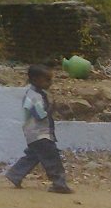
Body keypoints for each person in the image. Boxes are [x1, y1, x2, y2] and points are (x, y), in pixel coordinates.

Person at [5, 64, 73, 193]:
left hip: (37, 133)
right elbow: (40, 115)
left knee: (34, 155)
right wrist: (52, 107)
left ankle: (15, 174)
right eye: (46, 80)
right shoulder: (32, 96)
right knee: (52, 157)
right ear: (36, 80)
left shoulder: (38, 94)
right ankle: (59, 183)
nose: (50, 83)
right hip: (39, 133)